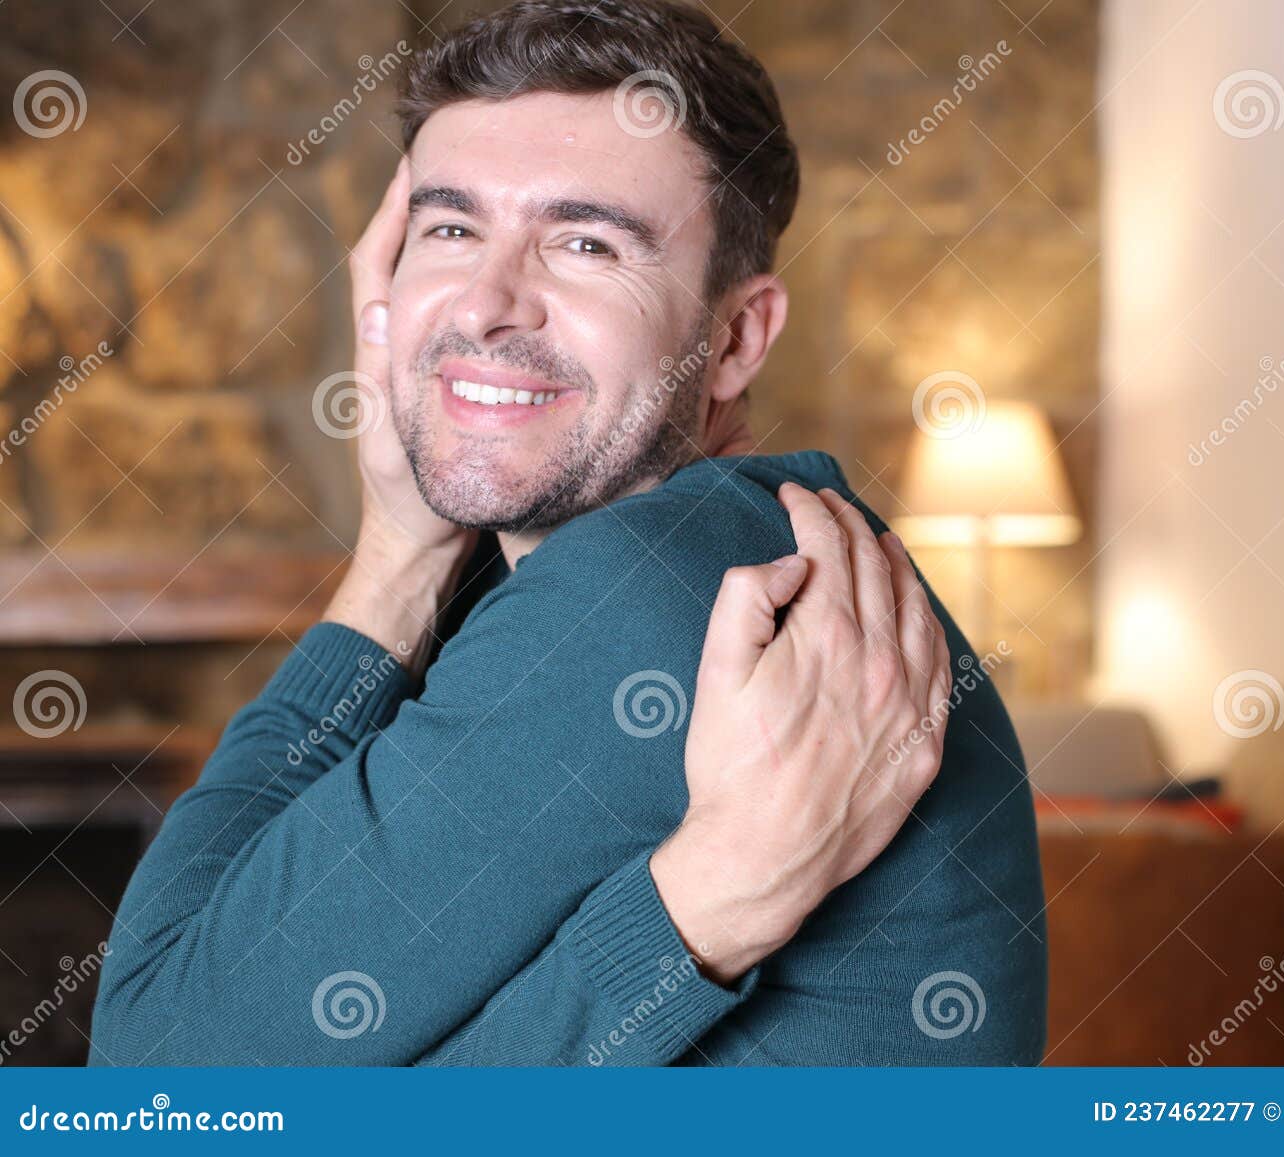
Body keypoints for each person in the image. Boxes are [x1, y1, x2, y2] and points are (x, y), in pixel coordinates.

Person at [91, 0, 1045, 1066]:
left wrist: (390, 566)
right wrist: (402, 548)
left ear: (733, 337)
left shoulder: (642, 597)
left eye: (586, 243)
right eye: (449, 229)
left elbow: (156, 1075)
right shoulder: (707, 543)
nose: (487, 304)